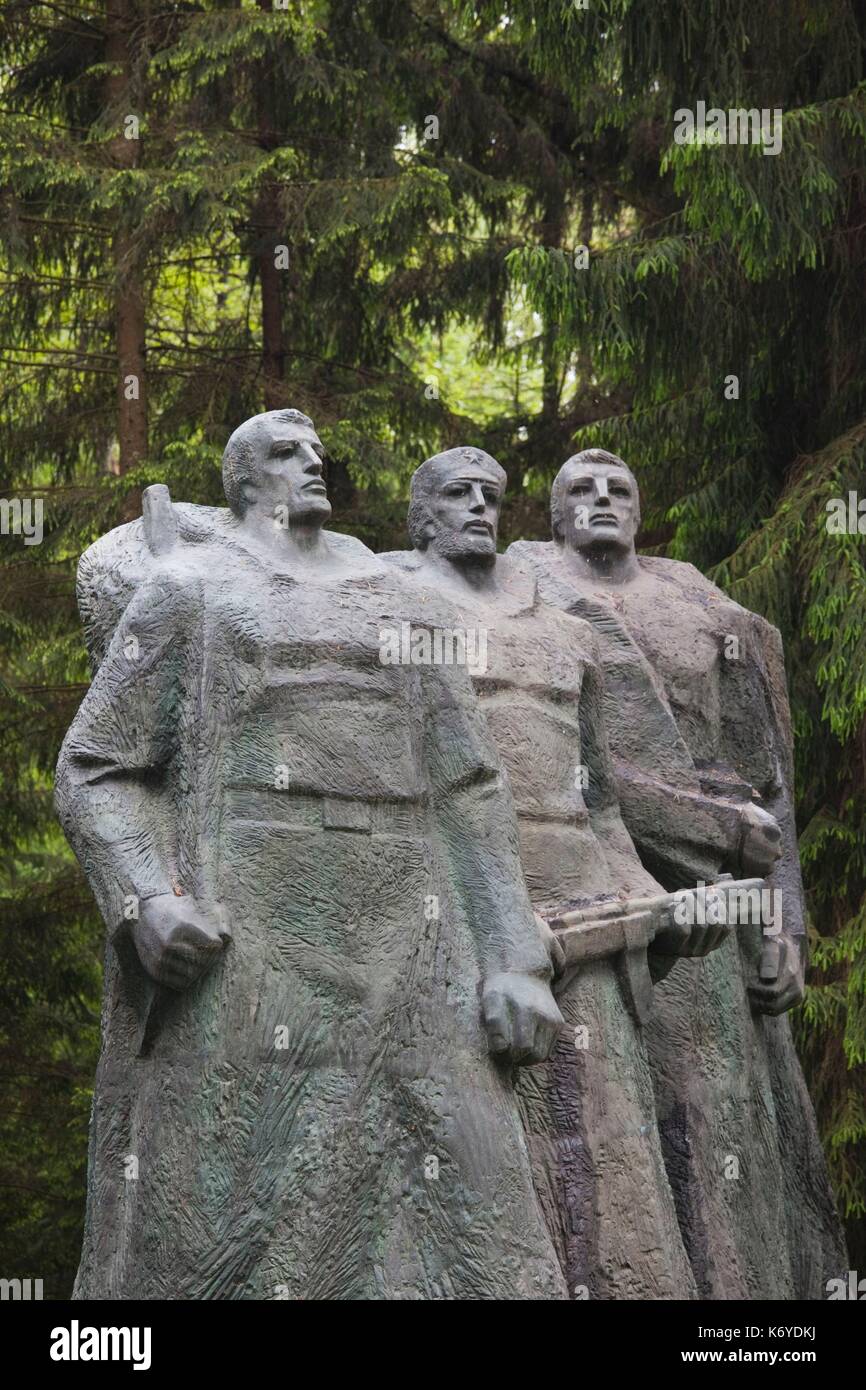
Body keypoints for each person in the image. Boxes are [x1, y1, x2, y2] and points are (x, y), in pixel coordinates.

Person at [56, 410, 569, 1301]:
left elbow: (470, 786)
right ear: (244, 480)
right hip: (250, 930)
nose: (313, 463)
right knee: (229, 1213)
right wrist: (147, 899)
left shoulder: (407, 603)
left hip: (414, 935)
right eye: (288, 453)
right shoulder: (191, 589)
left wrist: (514, 955)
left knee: (470, 1209)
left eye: (317, 453)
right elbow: (96, 767)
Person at [383, 446, 745, 1299]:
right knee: (476, 1152)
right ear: (418, 516)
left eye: (491, 495)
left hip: (588, 907)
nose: (478, 507)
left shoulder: (568, 635)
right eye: (456, 495)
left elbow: (606, 805)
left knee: (608, 1152)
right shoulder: (392, 614)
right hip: (467, 916)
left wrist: (655, 903)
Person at [509, 447, 847, 1298]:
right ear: (552, 518)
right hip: (591, 892)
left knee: (716, 1126)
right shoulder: (521, 592)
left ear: (640, 509)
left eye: (618, 488)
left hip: (719, 911)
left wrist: (785, 928)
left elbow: (768, 790)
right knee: (602, 1131)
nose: (600, 499)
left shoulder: (700, 605)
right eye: (579, 490)